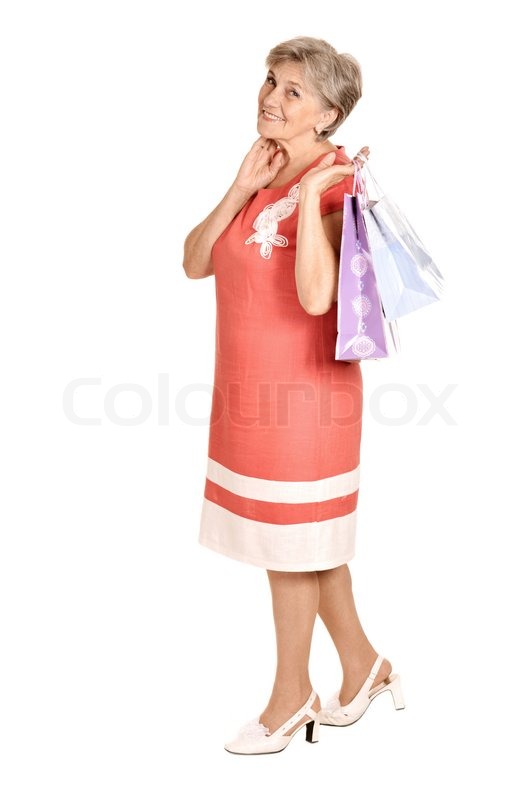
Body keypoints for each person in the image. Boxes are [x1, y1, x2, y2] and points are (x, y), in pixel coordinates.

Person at [182, 36, 405, 755]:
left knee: (290, 546)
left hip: (309, 400)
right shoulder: (265, 169)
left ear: (327, 115)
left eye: (292, 92)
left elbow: (316, 297)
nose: (270, 98)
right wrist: (243, 188)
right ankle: (366, 666)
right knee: (309, 543)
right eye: (269, 81)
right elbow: (194, 261)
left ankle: (292, 695)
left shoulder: (337, 185)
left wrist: (308, 199)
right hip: (250, 395)